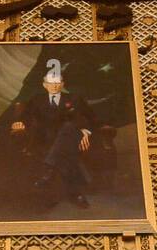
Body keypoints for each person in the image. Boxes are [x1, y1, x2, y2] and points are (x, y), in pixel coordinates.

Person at [9, 70, 95, 208]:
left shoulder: (74, 99)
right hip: (46, 139)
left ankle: (48, 171)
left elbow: (91, 118)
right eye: (50, 83)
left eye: (57, 83)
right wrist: (19, 123)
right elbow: (24, 116)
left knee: (67, 126)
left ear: (62, 84)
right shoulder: (36, 99)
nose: (54, 86)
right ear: (44, 85)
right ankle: (75, 193)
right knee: (65, 152)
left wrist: (86, 132)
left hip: (72, 136)